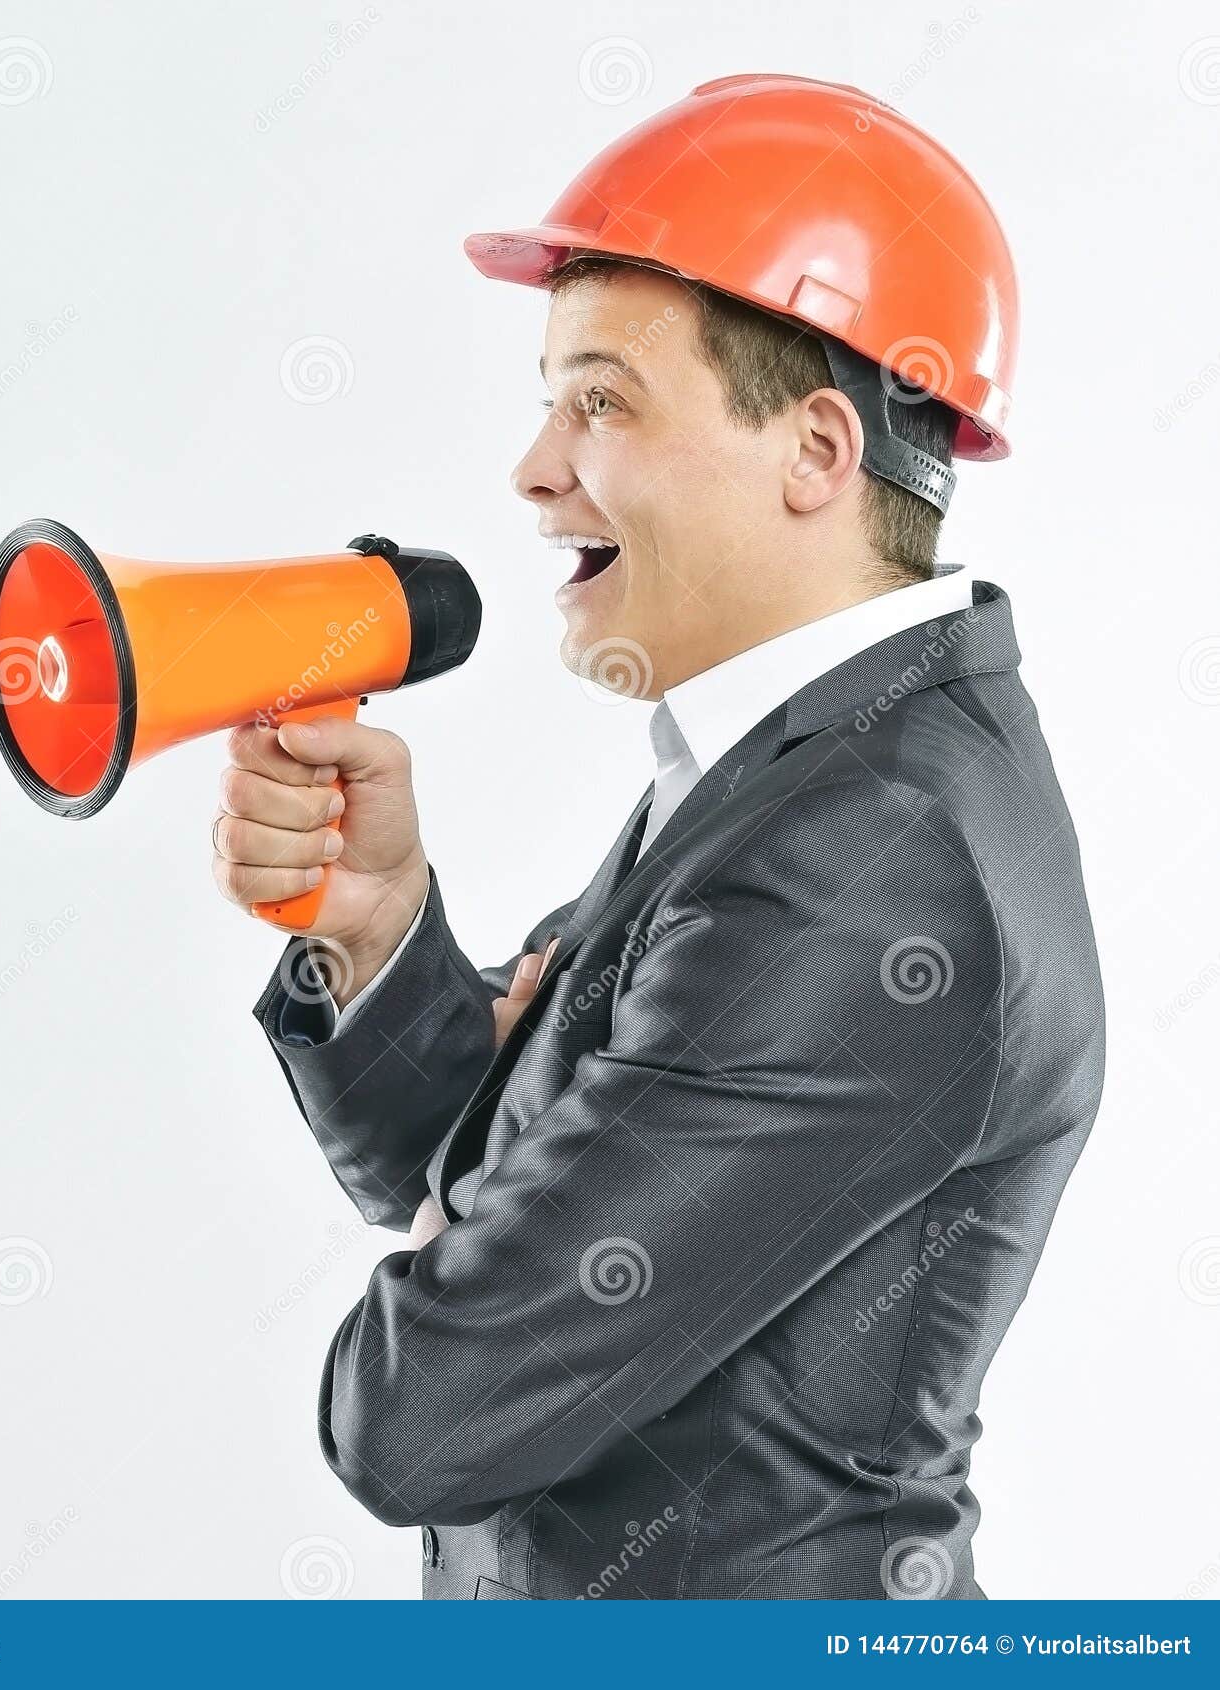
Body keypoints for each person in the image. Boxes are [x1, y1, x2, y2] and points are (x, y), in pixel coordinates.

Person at [216, 74, 1104, 1600]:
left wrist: (465, 1245)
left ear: (816, 450)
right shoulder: (803, 761)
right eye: (548, 400)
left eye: (603, 401)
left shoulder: (869, 856)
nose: (534, 467)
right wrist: (378, 928)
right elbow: (497, 1156)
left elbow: (422, 1415)